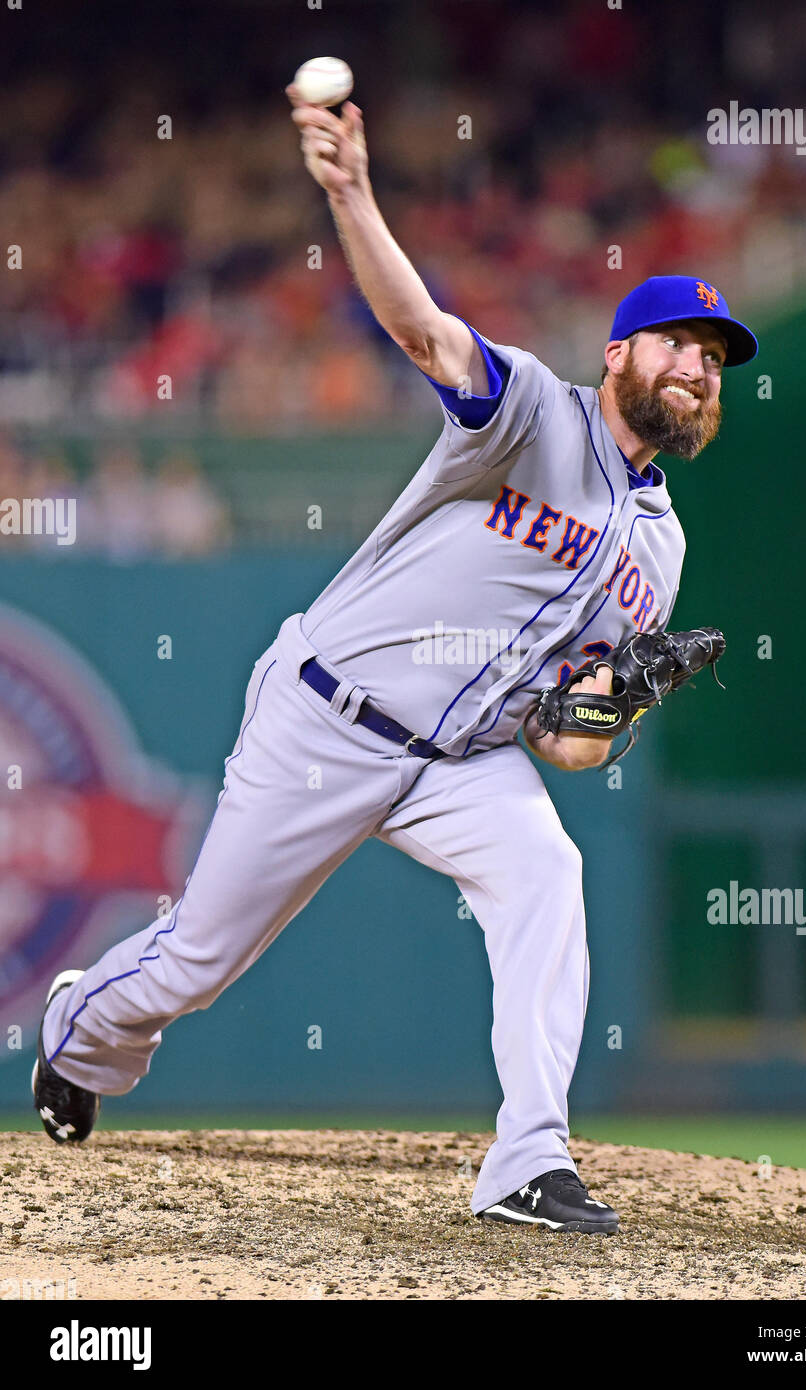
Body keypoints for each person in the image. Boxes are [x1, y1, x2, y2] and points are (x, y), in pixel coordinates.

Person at [32, 92, 758, 1236]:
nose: (699, 368)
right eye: (681, 343)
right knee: (201, 965)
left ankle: (528, 1158)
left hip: (460, 760)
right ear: (620, 349)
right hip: (327, 717)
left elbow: (562, 744)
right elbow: (423, 330)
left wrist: (618, 698)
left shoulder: (659, 555)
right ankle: (80, 1033)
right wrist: (349, 192)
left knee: (546, 876)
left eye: (716, 359)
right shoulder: (529, 412)